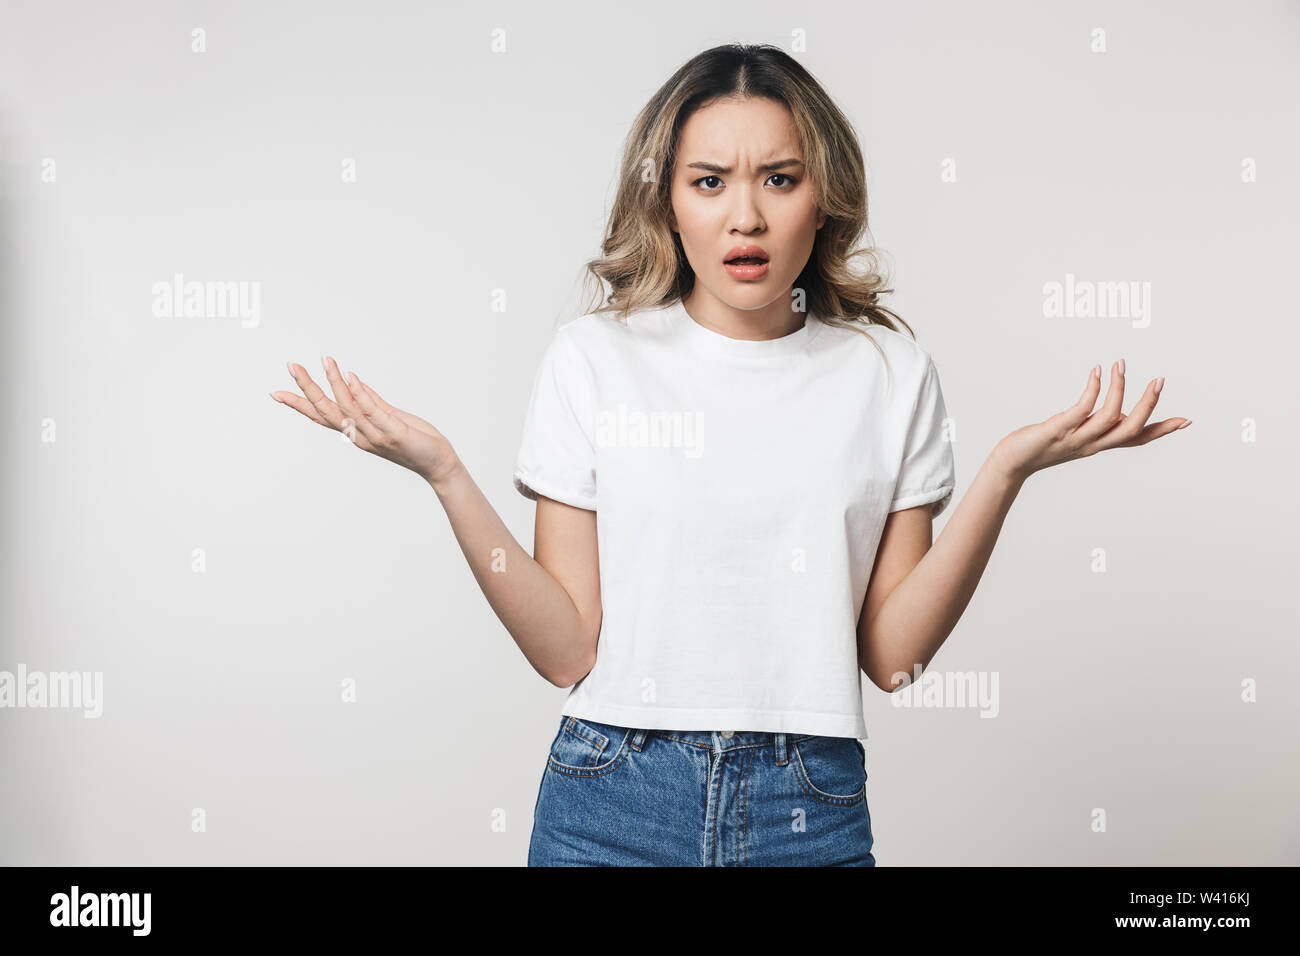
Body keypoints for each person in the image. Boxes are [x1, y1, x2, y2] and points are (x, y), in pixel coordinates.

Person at [269, 43, 1189, 866]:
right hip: (610, 801)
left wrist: (1003, 475)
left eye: (779, 179)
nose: (744, 215)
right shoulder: (596, 358)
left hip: (810, 804)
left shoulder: (889, 371)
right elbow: (563, 651)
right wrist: (445, 473)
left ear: (823, 198)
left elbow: (894, 659)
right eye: (709, 182)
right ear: (666, 200)